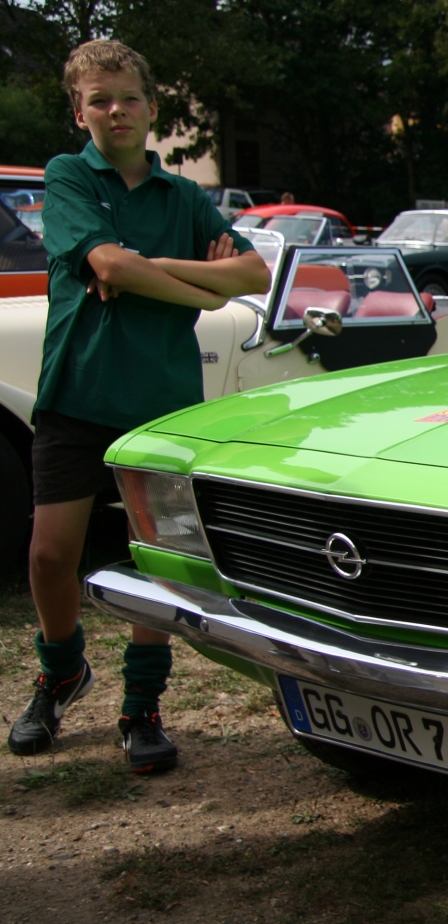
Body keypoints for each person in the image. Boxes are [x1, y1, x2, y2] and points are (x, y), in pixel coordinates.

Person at [19, 39, 269, 772]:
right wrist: (199, 286)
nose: (115, 111)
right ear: (79, 111)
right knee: (47, 556)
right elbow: (102, 263)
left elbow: (251, 271)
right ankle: (61, 670)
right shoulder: (68, 176)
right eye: (99, 100)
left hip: (160, 405)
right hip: (73, 394)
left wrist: (144, 271)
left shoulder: (184, 198)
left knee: (153, 560)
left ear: (151, 108)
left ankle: (142, 705)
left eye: (127, 98)